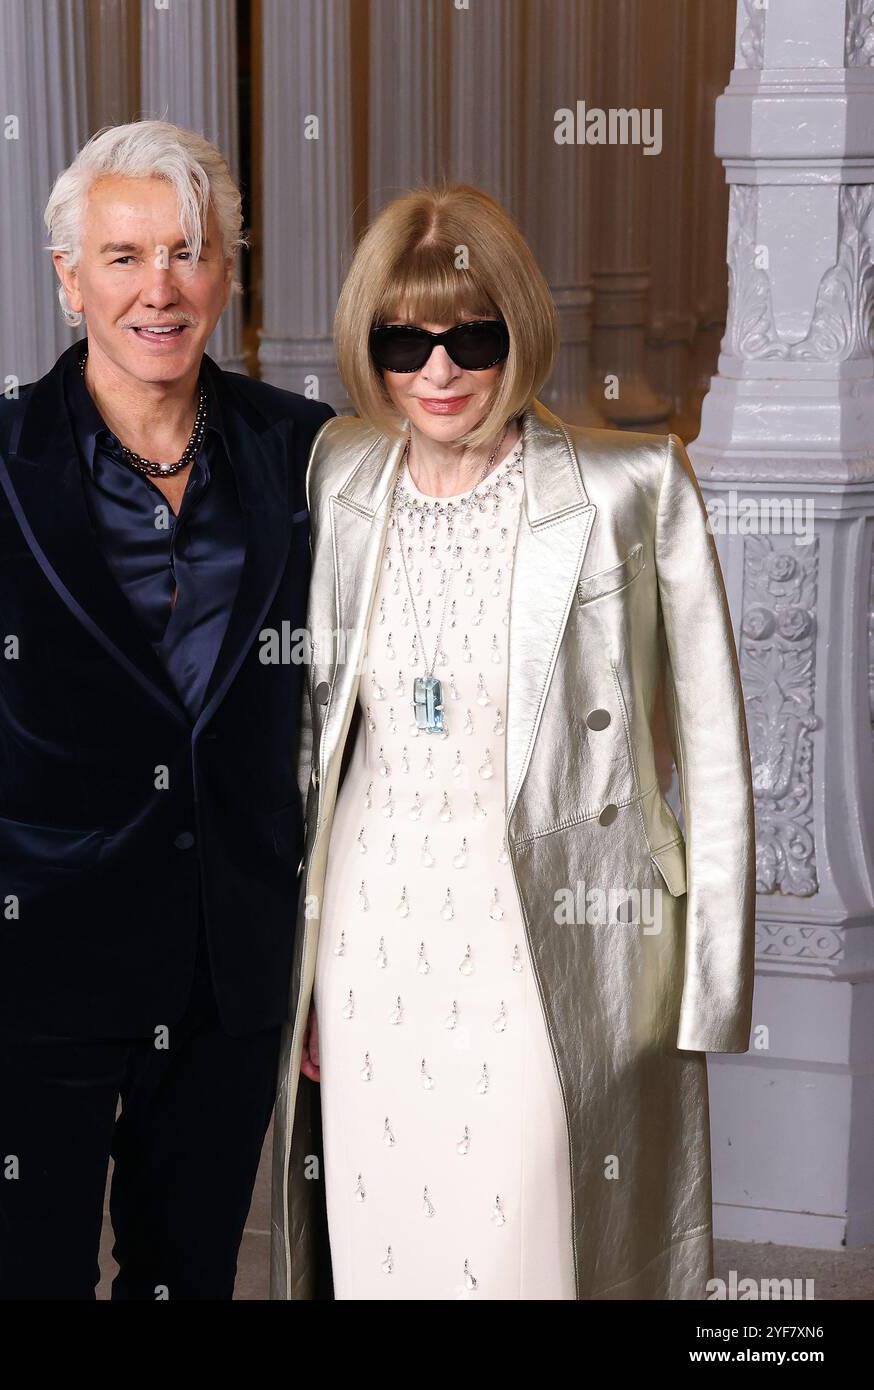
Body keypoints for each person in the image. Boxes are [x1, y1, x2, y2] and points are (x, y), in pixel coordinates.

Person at [271, 183, 755, 1300]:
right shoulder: (340, 473)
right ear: (370, 343)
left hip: (552, 923)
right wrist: (290, 978)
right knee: (384, 1226)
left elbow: (719, 752)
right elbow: (313, 731)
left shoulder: (631, 484)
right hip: (372, 917)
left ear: (518, 332)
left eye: (471, 336)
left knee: (525, 1231)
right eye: (406, 339)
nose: (438, 371)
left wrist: (711, 986)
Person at [0, 120, 333, 1299]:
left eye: (189, 252)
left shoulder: (306, 455)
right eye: (125, 255)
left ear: (228, 273)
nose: (161, 288)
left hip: (230, 954)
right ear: (68, 275)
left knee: (187, 1272)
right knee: (31, 1273)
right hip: (47, 948)